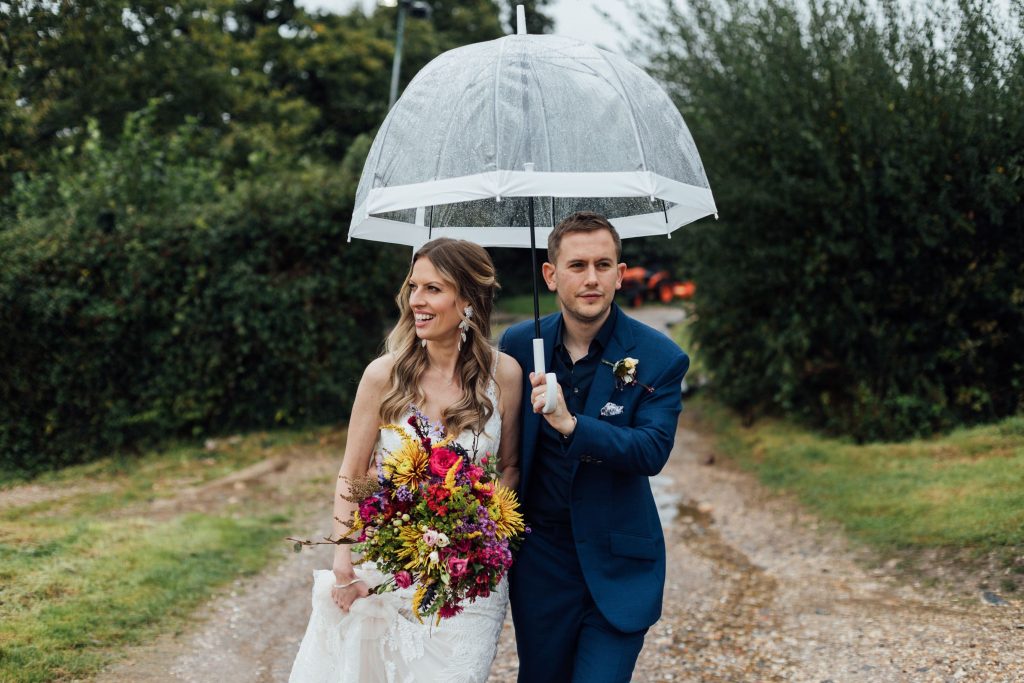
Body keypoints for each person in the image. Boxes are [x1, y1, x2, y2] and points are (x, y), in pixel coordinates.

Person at [289, 238, 522, 683]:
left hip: (470, 582)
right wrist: (343, 559)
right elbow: (353, 471)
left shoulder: (504, 374)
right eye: (413, 287)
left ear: (468, 300)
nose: (417, 300)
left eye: (433, 289)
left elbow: (510, 467)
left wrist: (482, 535)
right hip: (390, 569)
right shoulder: (383, 376)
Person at [499, 211, 689, 683]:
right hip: (541, 564)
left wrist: (570, 424)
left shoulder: (660, 356)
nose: (591, 279)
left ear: (620, 275)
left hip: (619, 562)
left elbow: (651, 451)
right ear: (550, 274)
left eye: (603, 265)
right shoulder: (520, 345)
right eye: (577, 265)